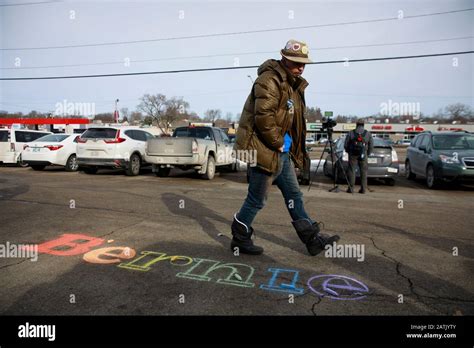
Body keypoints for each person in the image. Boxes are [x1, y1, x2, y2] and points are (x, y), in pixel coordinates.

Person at [231, 39, 340, 256]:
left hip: (281, 153)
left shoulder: (292, 84)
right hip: (264, 151)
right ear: (284, 58)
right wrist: (279, 143)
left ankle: (312, 240)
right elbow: (264, 117)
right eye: (296, 62)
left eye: (304, 63)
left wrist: (290, 145)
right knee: (256, 199)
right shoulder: (269, 80)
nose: (301, 67)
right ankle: (239, 238)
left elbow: (292, 119)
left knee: (294, 195)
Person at [344, 119, 374, 194]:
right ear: (363, 125)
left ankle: (351, 189)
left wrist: (349, 152)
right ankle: (363, 189)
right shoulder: (367, 133)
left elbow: (346, 144)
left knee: (352, 171)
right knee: (363, 172)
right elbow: (371, 145)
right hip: (363, 154)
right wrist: (368, 153)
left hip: (353, 154)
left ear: (356, 124)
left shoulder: (351, 133)